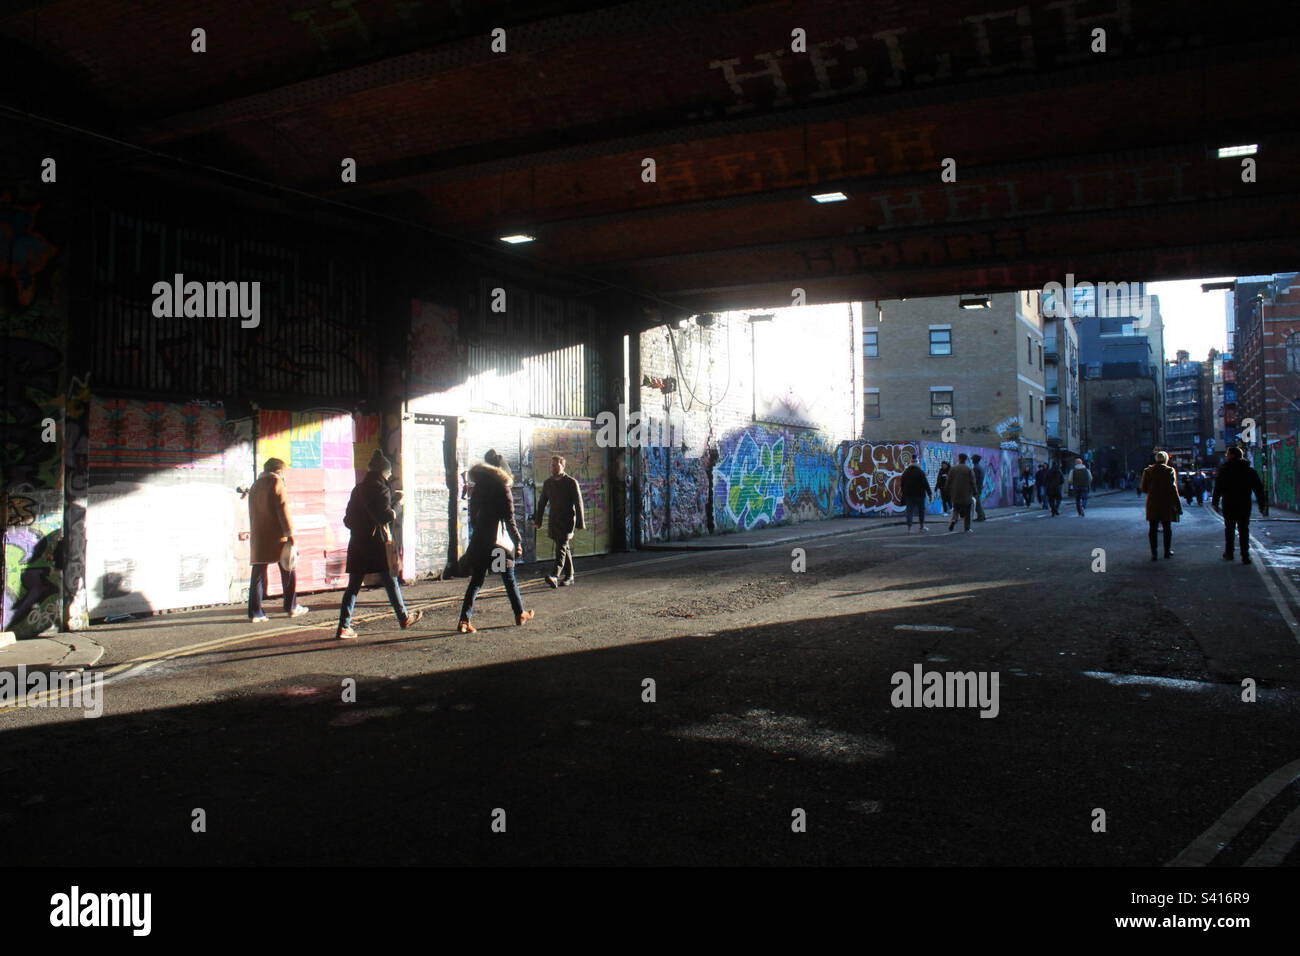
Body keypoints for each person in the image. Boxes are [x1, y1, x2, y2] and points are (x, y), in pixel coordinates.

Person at [335, 450, 423, 639]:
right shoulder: (382, 489)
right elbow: (384, 516)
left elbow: (347, 520)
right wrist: (398, 503)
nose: (390, 476)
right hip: (377, 544)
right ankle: (403, 617)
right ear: (384, 472)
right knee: (391, 581)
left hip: (358, 542)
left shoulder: (358, 489)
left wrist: (362, 526)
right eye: (389, 473)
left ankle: (343, 626)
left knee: (353, 586)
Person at [458, 449, 534, 632]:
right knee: (508, 577)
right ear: (503, 471)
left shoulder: (478, 488)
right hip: (497, 544)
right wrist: (518, 542)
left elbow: (474, 518)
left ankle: (464, 621)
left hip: (480, 542)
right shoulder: (503, 488)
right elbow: (509, 520)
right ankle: (519, 614)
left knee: (477, 580)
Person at [246, 458, 309, 622]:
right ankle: (291, 606)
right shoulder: (276, 482)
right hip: (277, 536)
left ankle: (255, 612)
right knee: (288, 569)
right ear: (279, 470)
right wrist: (291, 535)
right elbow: (283, 510)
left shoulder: (255, 485)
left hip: (259, 536)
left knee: (258, 574)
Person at [534, 454, 586, 586]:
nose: (553, 468)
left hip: (567, 520)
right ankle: (570, 575)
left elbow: (578, 503)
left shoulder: (571, 482)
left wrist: (580, 522)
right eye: (551, 465)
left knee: (561, 546)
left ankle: (555, 575)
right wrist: (538, 520)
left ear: (563, 466)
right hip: (554, 519)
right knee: (563, 547)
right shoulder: (548, 483)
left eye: (556, 465)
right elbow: (542, 503)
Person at [1212, 446, 1268, 564]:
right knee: (1243, 529)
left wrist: (1215, 503)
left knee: (1229, 529)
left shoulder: (1224, 470)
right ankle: (1245, 555)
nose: (1226, 456)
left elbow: (1218, 488)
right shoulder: (1249, 470)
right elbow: (1258, 489)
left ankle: (1229, 553)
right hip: (1244, 503)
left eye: (1227, 454)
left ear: (1232, 455)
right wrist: (1261, 504)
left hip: (1229, 503)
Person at [1139, 451, 1180, 560]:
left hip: (1152, 503)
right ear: (1166, 459)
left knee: (1153, 528)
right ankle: (1167, 552)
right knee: (1167, 528)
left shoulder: (1148, 471)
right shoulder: (1169, 471)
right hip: (1166, 502)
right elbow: (1173, 489)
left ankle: (1154, 553)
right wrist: (1177, 505)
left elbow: (1143, 488)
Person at [899, 458, 932, 532]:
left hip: (909, 495)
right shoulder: (920, 472)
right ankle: (921, 526)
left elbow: (902, 484)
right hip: (919, 494)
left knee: (909, 511)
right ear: (917, 463)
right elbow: (925, 483)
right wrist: (929, 494)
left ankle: (909, 528)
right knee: (921, 511)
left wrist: (903, 492)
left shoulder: (906, 472)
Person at [946, 453, 976, 533]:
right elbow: (973, 482)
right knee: (967, 511)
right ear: (965, 460)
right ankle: (967, 527)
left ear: (959, 458)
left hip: (955, 493)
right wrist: (975, 491)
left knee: (956, 509)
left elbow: (948, 481)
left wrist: (947, 490)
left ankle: (953, 520)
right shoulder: (969, 469)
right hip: (966, 494)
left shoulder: (953, 469)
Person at [971, 454, 987, 521]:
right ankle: (982, 516)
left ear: (974, 460)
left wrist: (973, 488)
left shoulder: (976, 468)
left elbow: (975, 479)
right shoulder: (980, 467)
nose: (971, 460)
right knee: (978, 502)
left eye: (972, 459)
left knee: (977, 503)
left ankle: (980, 517)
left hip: (976, 488)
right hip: (979, 487)